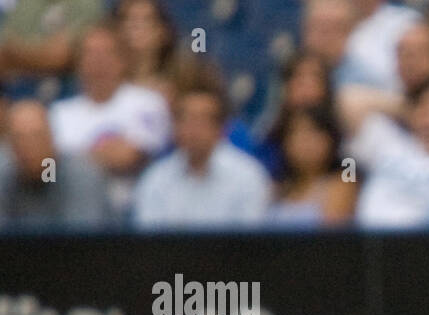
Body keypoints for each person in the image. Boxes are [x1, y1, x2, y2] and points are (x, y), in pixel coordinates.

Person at [48, 23, 170, 216]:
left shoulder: (147, 102)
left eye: (105, 53)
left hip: (136, 208)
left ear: (122, 60)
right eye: (90, 54)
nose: (98, 62)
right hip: (77, 210)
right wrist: (105, 151)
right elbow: (50, 171)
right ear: (79, 62)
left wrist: (72, 157)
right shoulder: (59, 113)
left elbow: (128, 157)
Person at [133, 82, 271, 228]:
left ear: (221, 129)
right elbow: (148, 238)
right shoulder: (156, 177)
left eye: (202, 121)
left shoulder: (248, 175)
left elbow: (251, 240)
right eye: (186, 120)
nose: (193, 130)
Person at [355, 77, 429, 229]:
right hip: (369, 243)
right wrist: (404, 107)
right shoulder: (388, 144)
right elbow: (348, 101)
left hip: (427, 244)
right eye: (422, 107)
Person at [0, 98, 111, 226]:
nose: (27, 146)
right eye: (19, 138)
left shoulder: (80, 175)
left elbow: (82, 240)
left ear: (52, 139)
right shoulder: (6, 176)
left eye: (36, 136)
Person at [266, 105, 356, 227]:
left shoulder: (345, 180)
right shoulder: (278, 187)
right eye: (295, 132)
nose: (304, 140)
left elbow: (332, 235)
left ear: (330, 138)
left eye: (313, 132)